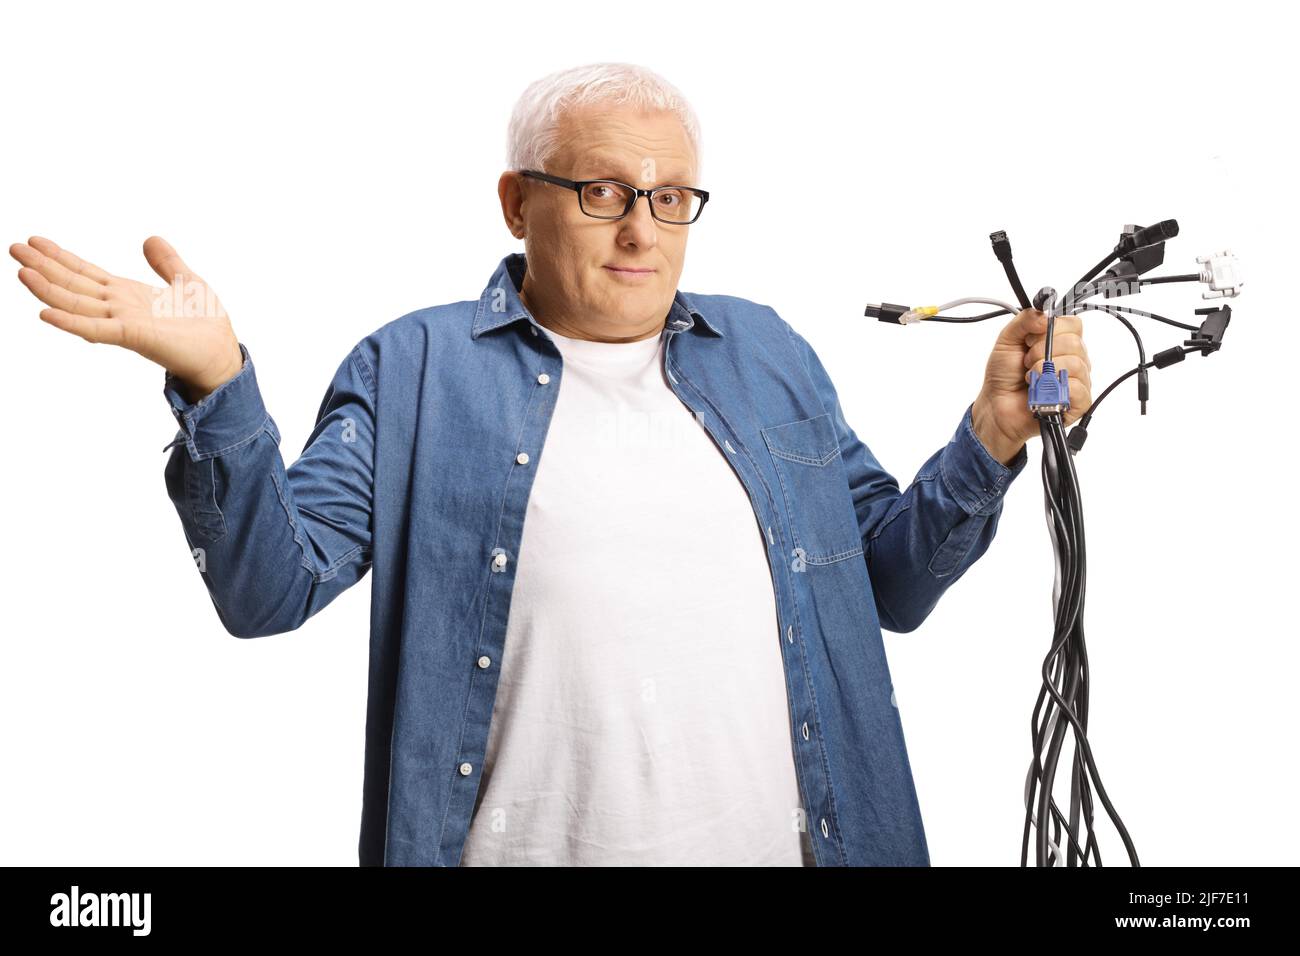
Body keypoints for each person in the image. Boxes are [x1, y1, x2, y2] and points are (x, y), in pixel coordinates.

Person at [9, 62, 1091, 866]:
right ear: (517, 201)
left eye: (672, 197)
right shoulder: (414, 367)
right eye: (603, 191)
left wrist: (990, 435)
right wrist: (217, 382)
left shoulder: (769, 353)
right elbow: (265, 590)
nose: (642, 229)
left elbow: (887, 585)